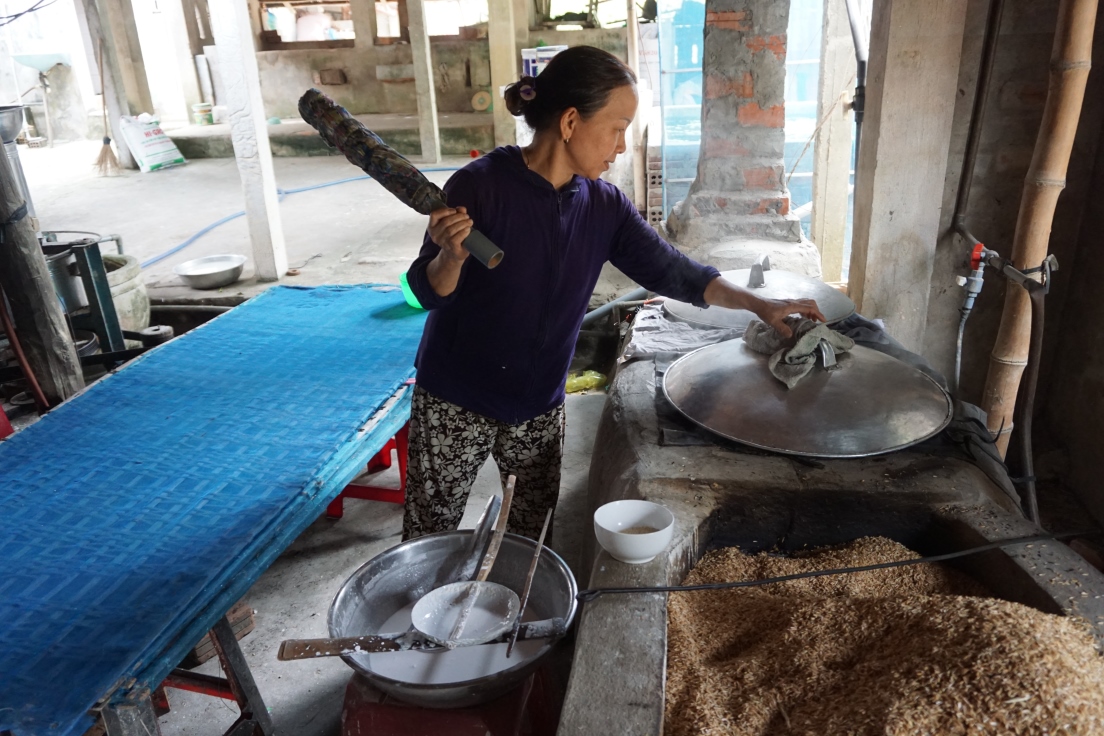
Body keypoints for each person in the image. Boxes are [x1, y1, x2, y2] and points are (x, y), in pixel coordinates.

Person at [402, 46, 823, 541]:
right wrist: (450, 257)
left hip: (538, 405)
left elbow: (676, 272)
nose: (621, 147)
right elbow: (422, 294)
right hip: (457, 399)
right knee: (429, 538)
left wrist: (759, 303)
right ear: (571, 122)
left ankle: (518, 619)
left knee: (532, 538)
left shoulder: (604, 207)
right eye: (617, 128)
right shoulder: (482, 186)